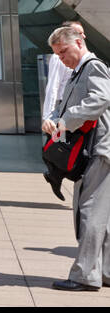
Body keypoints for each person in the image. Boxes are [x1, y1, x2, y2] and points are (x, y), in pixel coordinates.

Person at [45, 25, 110, 291]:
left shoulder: (92, 66)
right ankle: (104, 272)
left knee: (90, 212)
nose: (61, 58)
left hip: (100, 150)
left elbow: (101, 98)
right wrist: (55, 121)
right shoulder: (79, 70)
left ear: (78, 43)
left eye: (64, 52)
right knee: (101, 215)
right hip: (98, 150)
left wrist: (64, 121)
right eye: (58, 55)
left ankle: (84, 275)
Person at [43, 21, 86, 124]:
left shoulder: (85, 58)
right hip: (64, 106)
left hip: (79, 106)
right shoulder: (58, 57)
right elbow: (53, 86)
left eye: (83, 33)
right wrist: (47, 117)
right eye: (79, 33)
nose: (83, 36)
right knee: (57, 138)